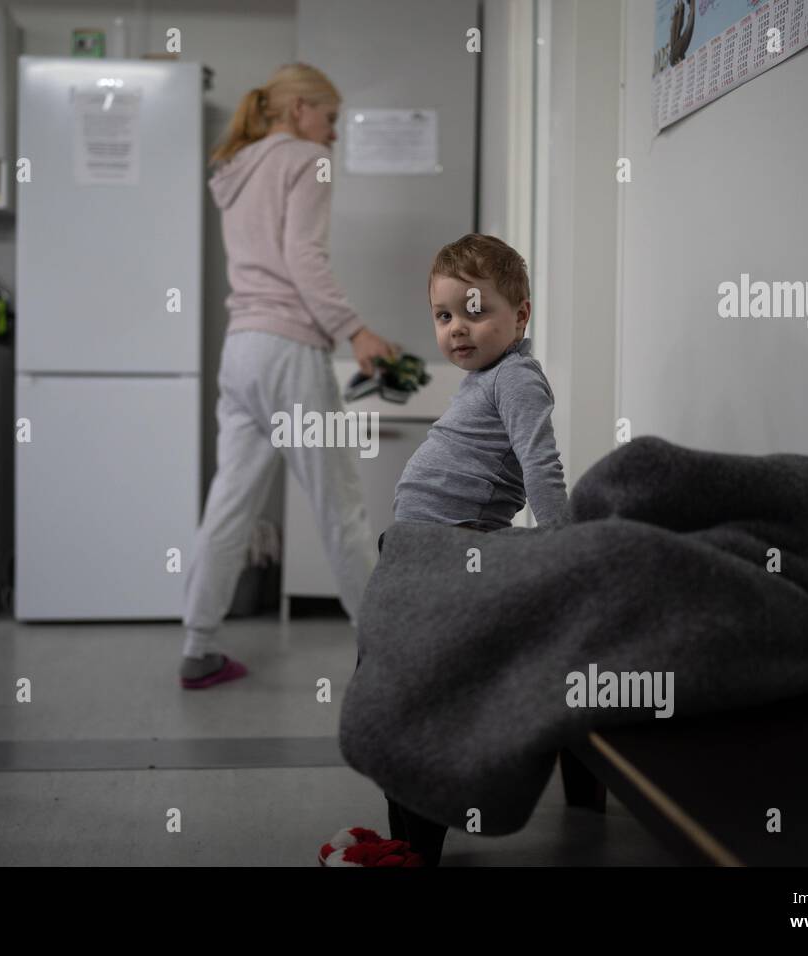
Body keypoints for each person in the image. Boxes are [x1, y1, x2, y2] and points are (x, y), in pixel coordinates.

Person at [322, 233, 570, 867]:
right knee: (383, 690)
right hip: (414, 552)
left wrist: (562, 549)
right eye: (444, 316)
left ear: (521, 314)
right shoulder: (482, 376)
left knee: (416, 698)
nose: (458, 329)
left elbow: (541, 466)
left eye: (475, 311)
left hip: (455, 554)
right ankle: (403, 840)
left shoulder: (516, 379)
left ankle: (416, 847)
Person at [179, 63, 400, 688]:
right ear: (300, 109)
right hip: (287, 352)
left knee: (230, 502)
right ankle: (385, 651)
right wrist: (354, 330)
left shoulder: (236, 168)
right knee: (340, 507)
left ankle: (197, 647)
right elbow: (304, 256)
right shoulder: (306, 161)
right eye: (330, 120)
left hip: (241, 348)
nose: (333, 136)